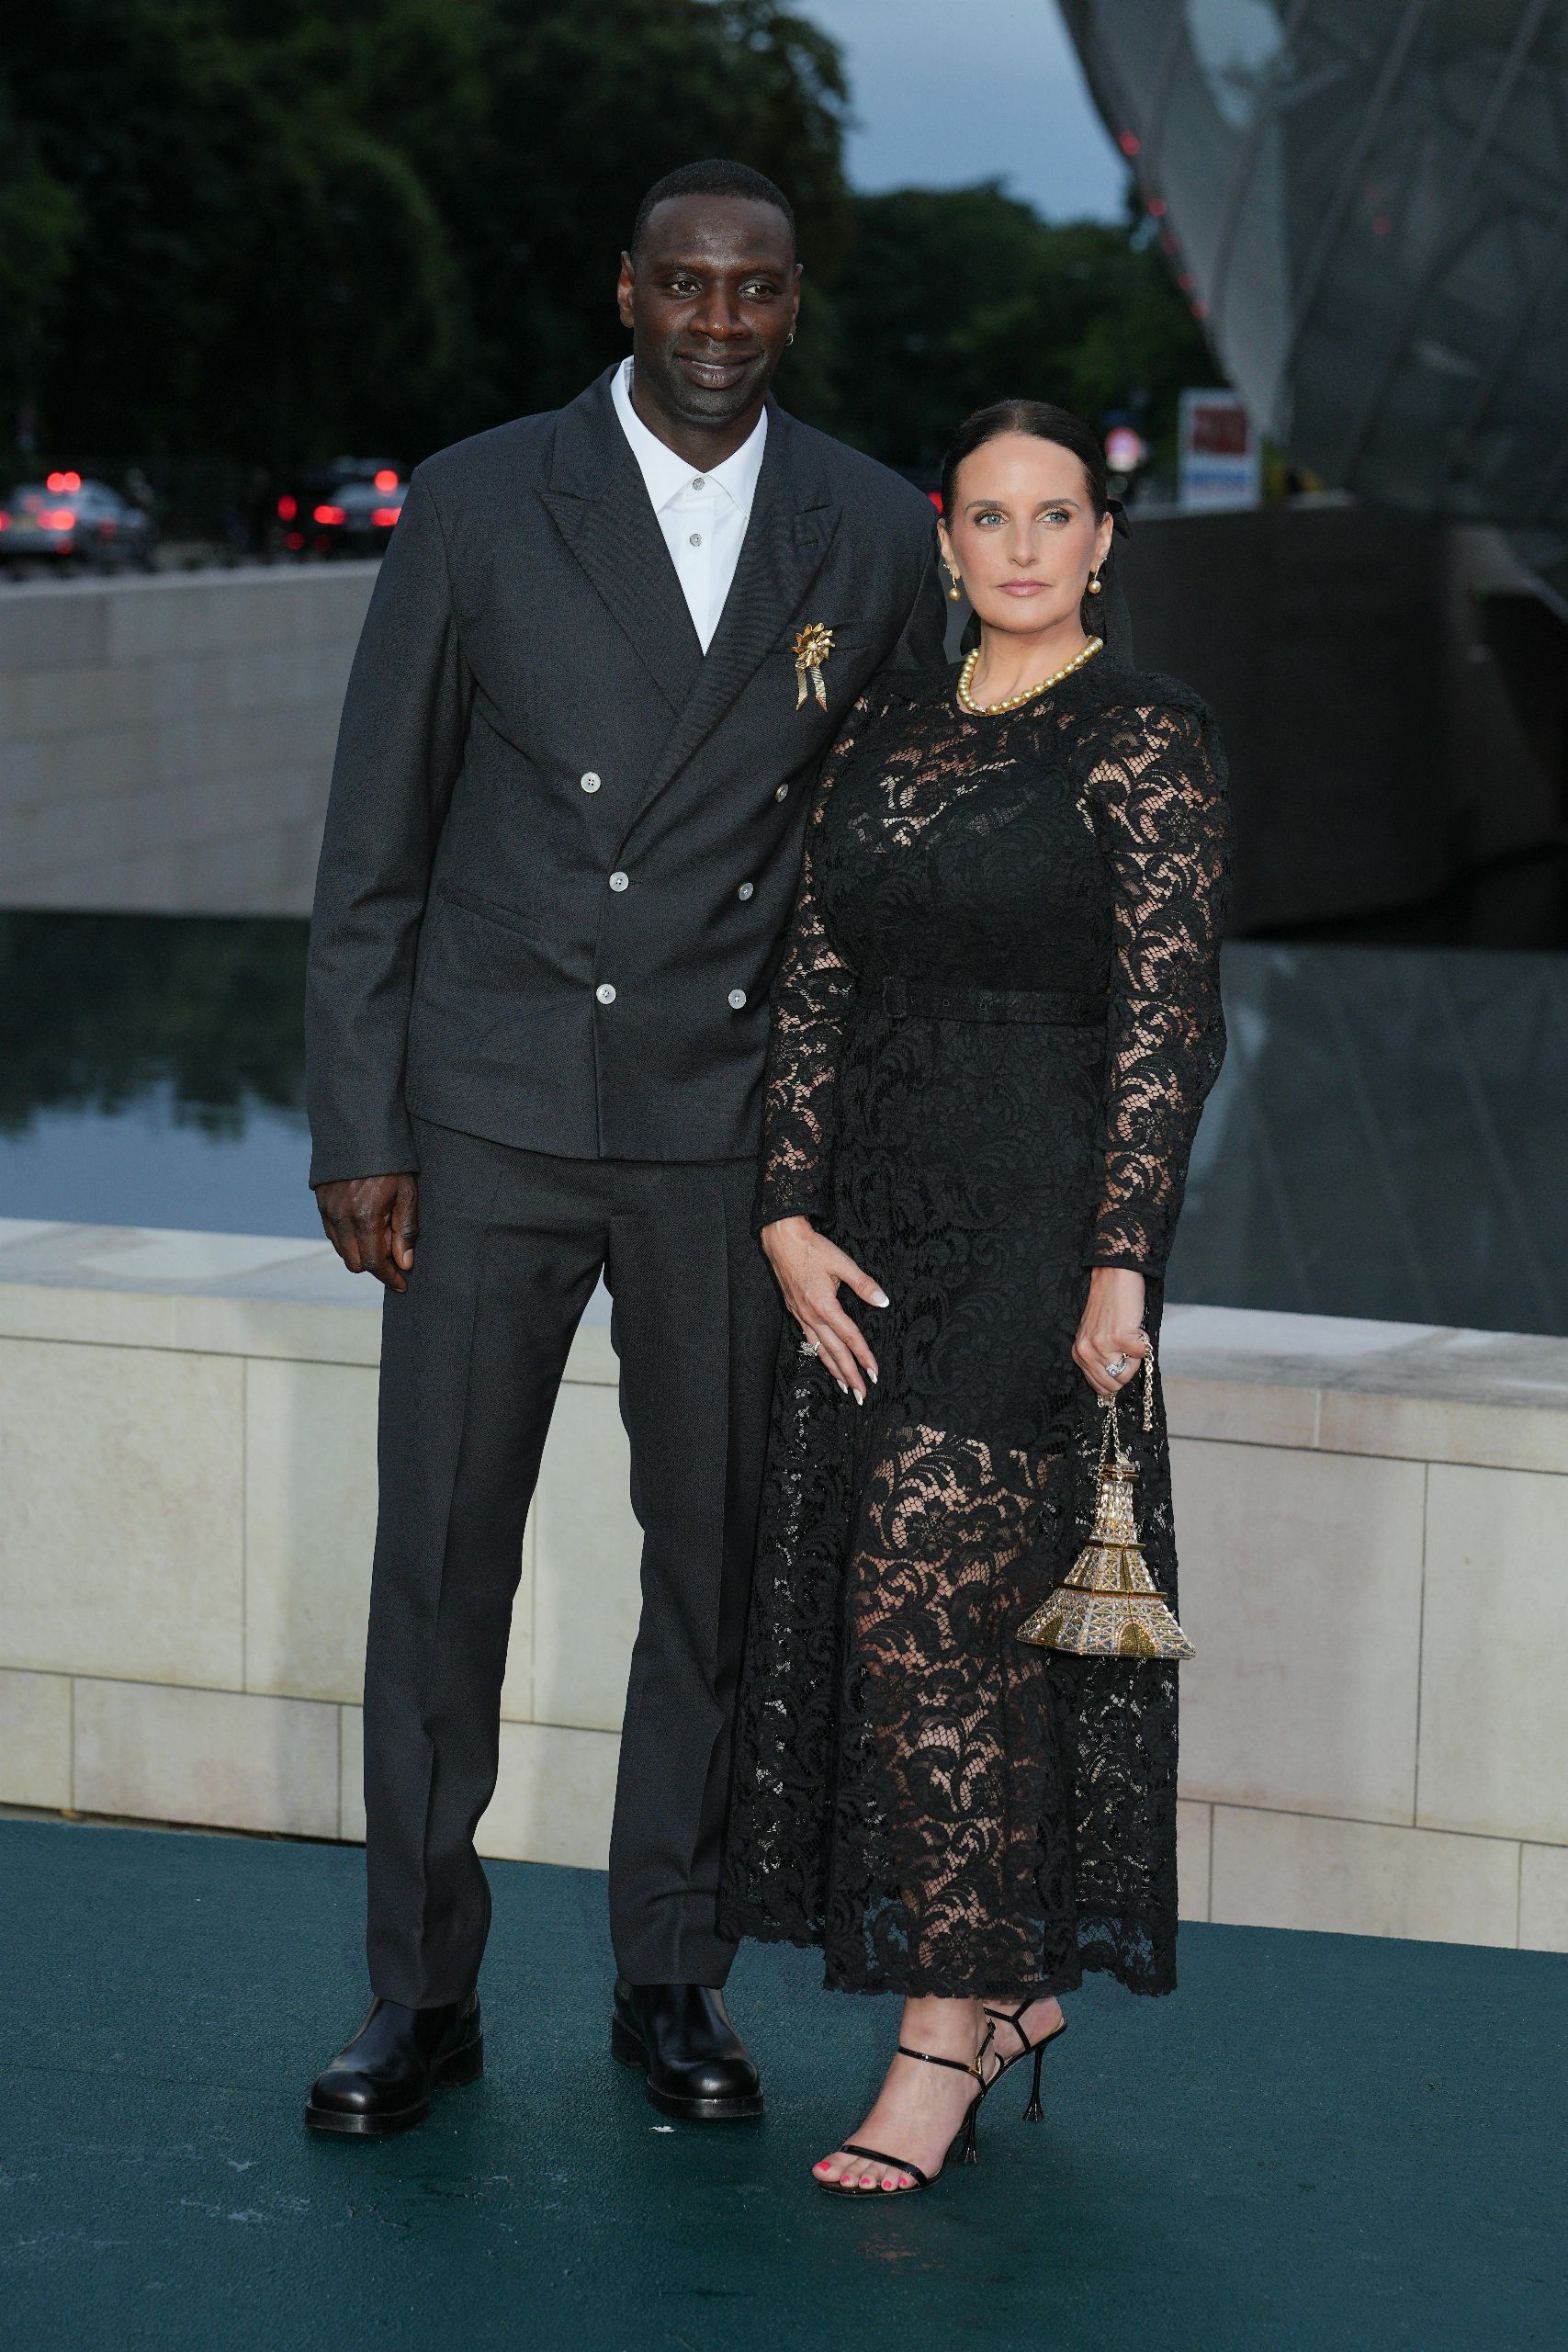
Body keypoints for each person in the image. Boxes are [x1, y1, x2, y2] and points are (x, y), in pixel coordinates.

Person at [299, 158, 946, 2137]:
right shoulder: (479, 496)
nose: (718, 324)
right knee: (438, 1571)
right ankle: (420, 1995)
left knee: (717, 1570)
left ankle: (669, 1972)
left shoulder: (863, 525)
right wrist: (361, 1120)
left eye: (752, 293)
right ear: (627, 291)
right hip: (489, 1114)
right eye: (684, 286)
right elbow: (373, 839)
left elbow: (890, 869)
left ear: (793, 304)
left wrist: (854, 1153)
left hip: (725, 1137)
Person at [718, 399, 1233, 2196]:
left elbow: (1171, 1022)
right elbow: (812, 978)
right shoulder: (884, 724)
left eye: (1055, 515)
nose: (1020, 546)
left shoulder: (1143, 738)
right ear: (945, 543)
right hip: (871, 1215)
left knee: (922, 1612)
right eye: (988, 518)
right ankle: (1003, 1976)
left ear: (1102, 540)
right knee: (914, 1619)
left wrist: (1121, 1256)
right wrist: (784, 1211)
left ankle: (939, 2031)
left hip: (1034, 1212)